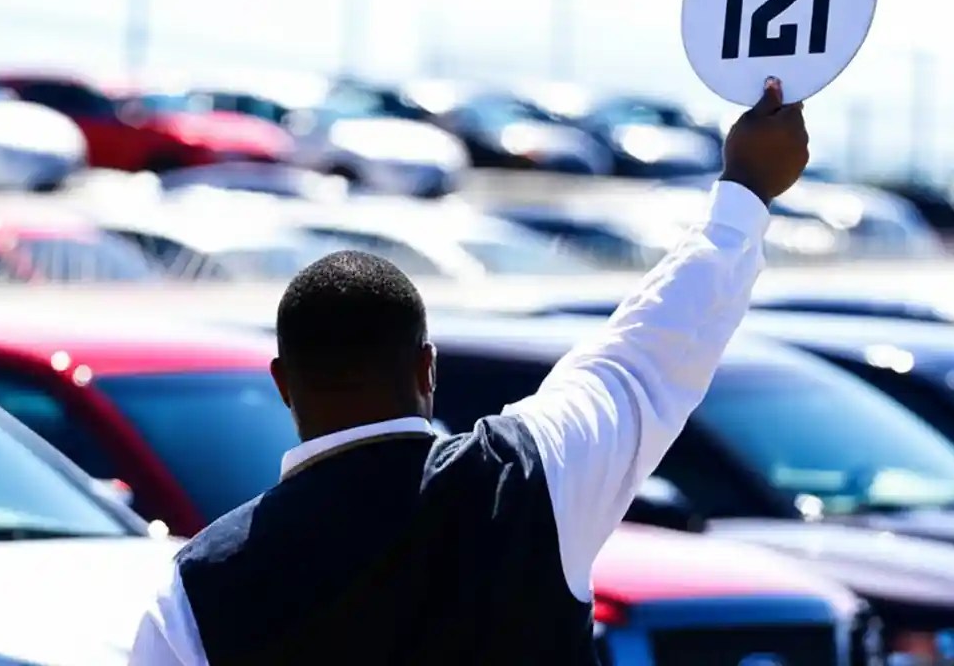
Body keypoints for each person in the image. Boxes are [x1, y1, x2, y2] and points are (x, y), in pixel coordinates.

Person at [127, 77, 808, 665]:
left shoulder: (197, 588)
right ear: (428, 368)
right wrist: (744, 191)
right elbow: (648, 349)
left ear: (281, 384)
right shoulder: (529, 477)